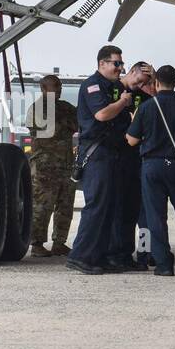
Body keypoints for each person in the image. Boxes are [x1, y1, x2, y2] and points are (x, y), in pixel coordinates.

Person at [125, 65, 175, 276]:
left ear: (156, 83)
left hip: (152, 166)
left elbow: (132, 141)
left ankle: (163, 265)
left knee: (155, 216)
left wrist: (134, 120)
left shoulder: (146, 108)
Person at [67, 45, 134, 275]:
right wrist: (123, 103)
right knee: (96, 207)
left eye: (121, 64)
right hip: (97, 154)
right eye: (116, 63)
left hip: (113, 154)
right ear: (102, 63)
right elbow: (102, 114)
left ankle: (100, 256)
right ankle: (80, 256)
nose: (120, 68)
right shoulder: (92, 86)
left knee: (109, 207)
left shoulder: (115, 87)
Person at [25, 73, 78, 258]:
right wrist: (68, 124)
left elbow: (78, 123)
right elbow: (56, 128)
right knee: (42, 206)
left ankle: (59, 243)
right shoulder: (37, 108)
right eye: (55, 86)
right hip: (44, 167)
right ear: (43, 88)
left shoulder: (64, 107)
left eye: (60, 86)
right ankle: (36, 244)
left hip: (65, 165)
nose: (59, 89)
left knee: (65, 205)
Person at [111, 61, 154, 270]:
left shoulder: (147, 101)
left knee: (145, 216)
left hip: (140, 164)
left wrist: (152, 81)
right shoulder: (111, 93)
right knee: (121, 213)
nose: (139, 86)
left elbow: (159, 99)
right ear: (132, 72)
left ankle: (145, 254)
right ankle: (120, 253)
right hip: (119, 163)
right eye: (138, 81)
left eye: (145, 83)